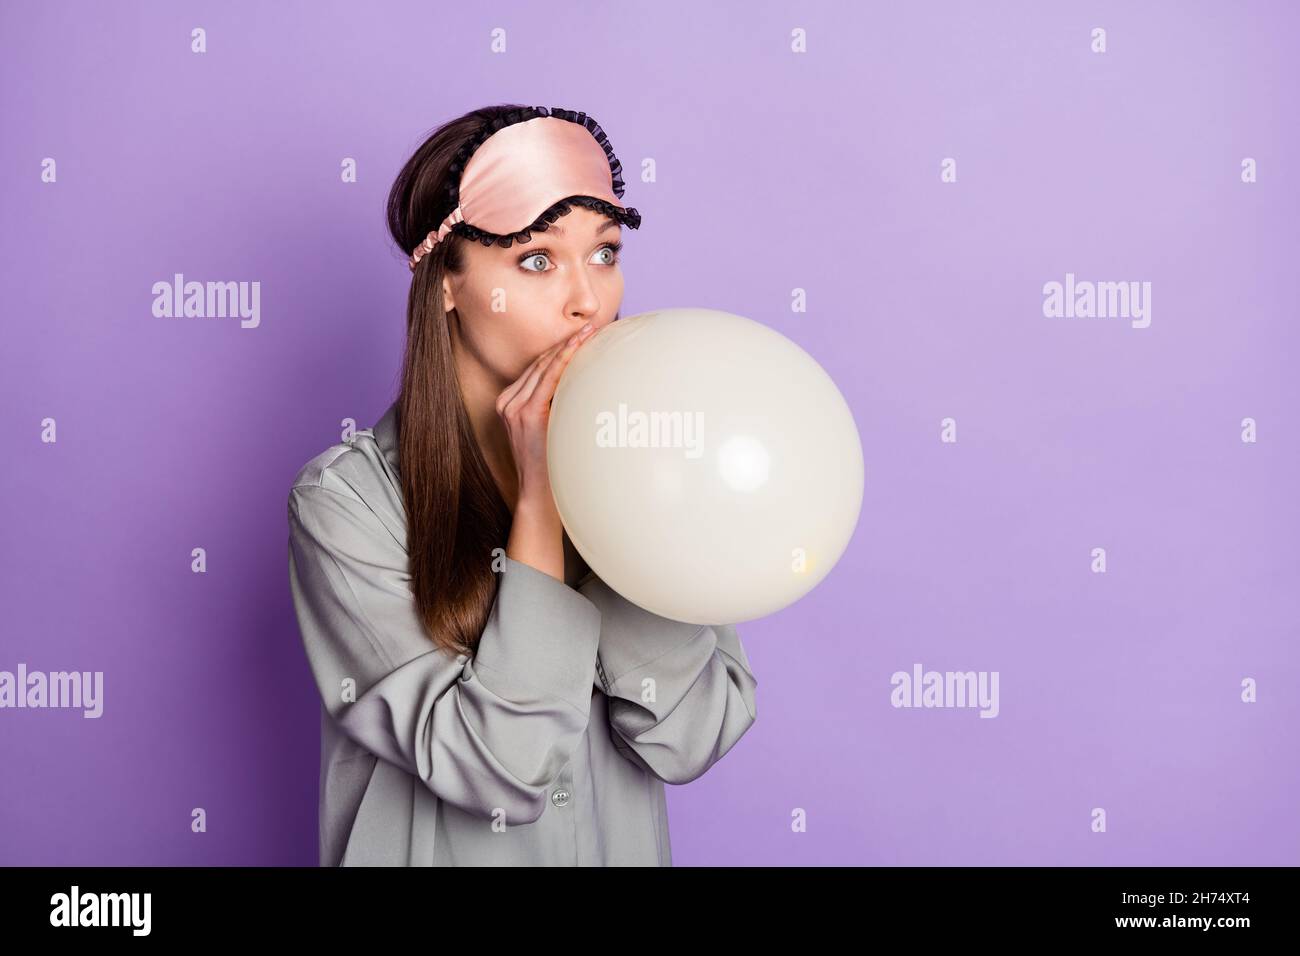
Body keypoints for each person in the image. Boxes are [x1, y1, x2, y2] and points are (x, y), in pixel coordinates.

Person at [287, 104, 758, 866]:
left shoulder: (655, 474)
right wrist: (541, 506)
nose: (588, 300)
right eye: (536, 260)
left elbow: (691, 736)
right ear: (447, 283)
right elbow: (501, 767)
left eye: (604, 253)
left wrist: (621, 497)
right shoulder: (346, 503)